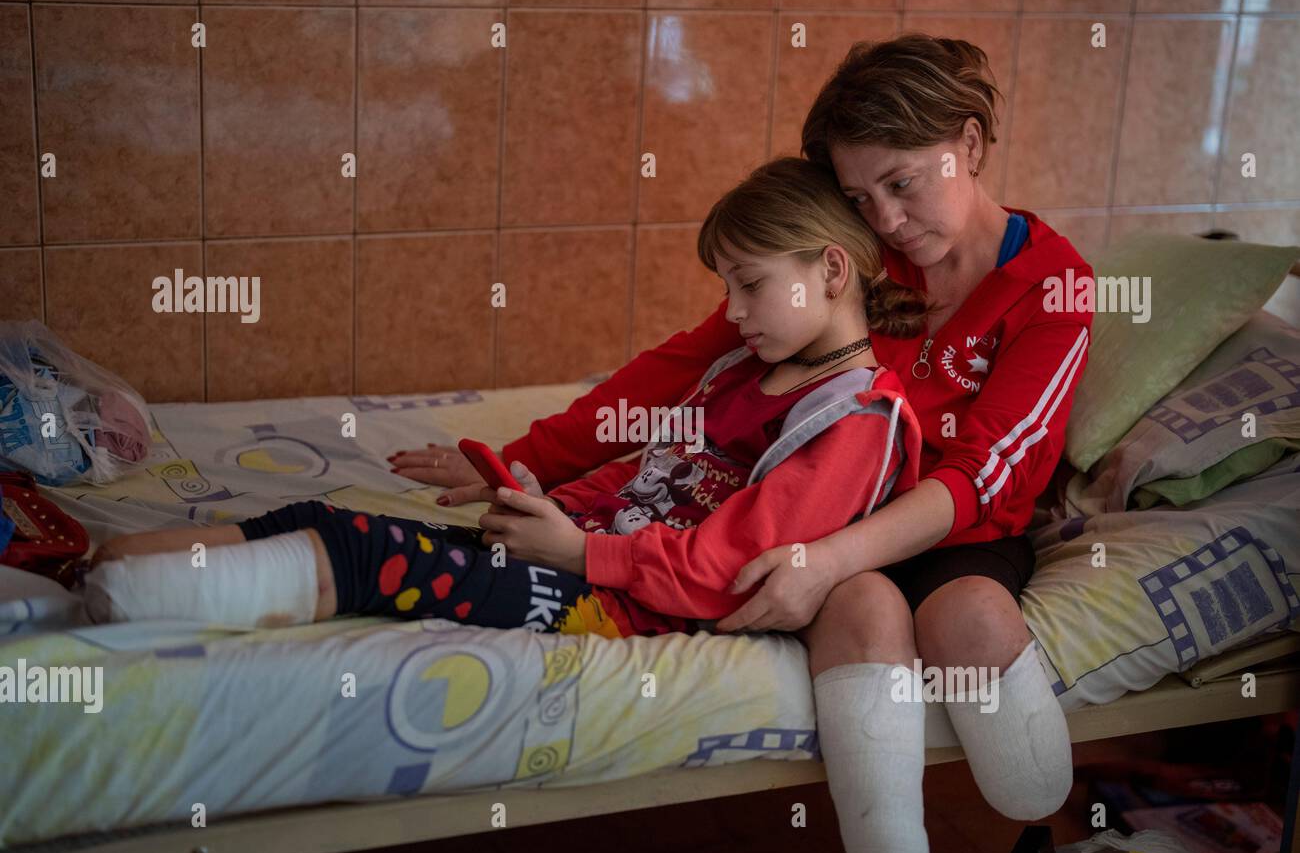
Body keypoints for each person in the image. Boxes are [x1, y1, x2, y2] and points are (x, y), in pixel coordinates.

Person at [398, 34, 1094, 853]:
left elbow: (983, 476)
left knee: (974, 623)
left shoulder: (1056, 286)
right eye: (859, 196)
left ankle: (1048, 822)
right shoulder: (862, 258)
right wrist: (529, 461)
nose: (886, 220)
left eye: (903, 184)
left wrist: (829, 559)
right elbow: (689, 362)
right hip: (800, 505)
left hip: (950, 532)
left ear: (970, 145)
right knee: (865, 608)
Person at [84, 157, 926, 656]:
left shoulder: (855, 421)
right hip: (586, 559)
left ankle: (111, 602)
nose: (732, 313)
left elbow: (726, 565)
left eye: (749, 285)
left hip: (628, 610)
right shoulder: (749, 369)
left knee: (371, 556)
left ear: (832, 271)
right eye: (727, 289)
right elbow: (646, 474)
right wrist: (543, 504)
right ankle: (89, 567)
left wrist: (580, 556)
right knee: (326, 515)